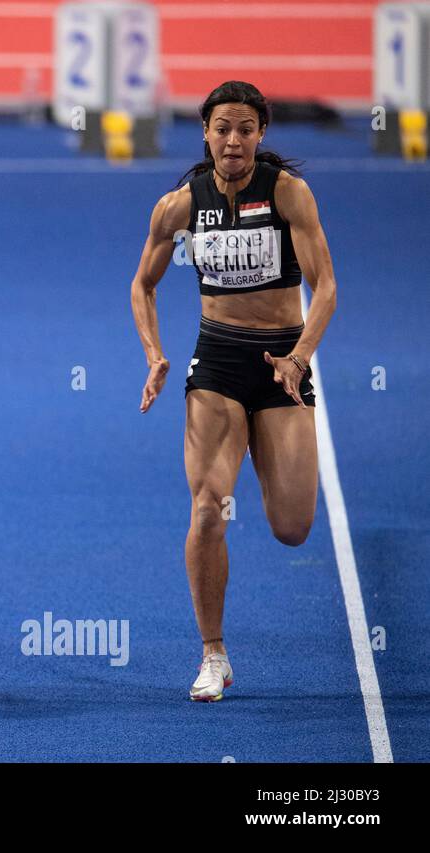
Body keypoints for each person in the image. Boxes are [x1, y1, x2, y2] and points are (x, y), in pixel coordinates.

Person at [129, 81, 337, 701]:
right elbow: (143, 284)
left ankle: (269, 439)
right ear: (205, 132)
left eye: (245, 129)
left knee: (292, 527)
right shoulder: (179, 206)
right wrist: (155, 353)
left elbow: (325, 287)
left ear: (261, 134)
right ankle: (213, 653)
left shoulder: (288, 194)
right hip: (217, 360)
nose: (233, 140)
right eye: (223, 128)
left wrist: (299, 359)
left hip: (282, 365)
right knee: (207, 509)